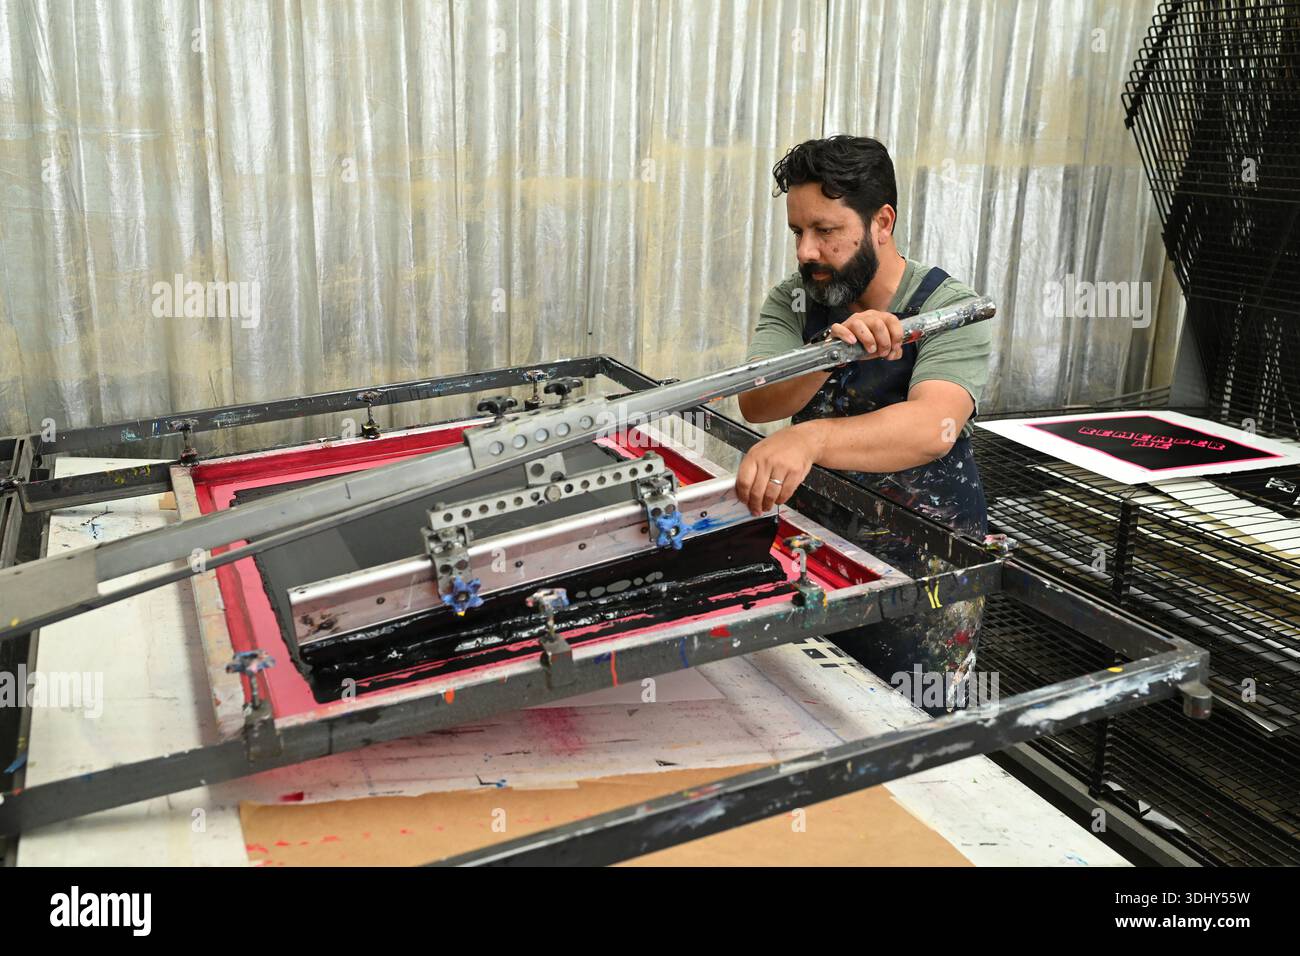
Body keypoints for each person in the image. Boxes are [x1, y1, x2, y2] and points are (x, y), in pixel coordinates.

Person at [736, 134, 994, 716]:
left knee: (910, 728)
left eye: (825, 231)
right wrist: (830, 350)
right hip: (813, 551)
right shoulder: (797, 301)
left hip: (921, 568)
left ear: (882, 222)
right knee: (807, 712)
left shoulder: (947, 307)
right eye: (797, 232)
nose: (806, 251)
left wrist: (811, 437)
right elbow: (757, 402)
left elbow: (934, 428)